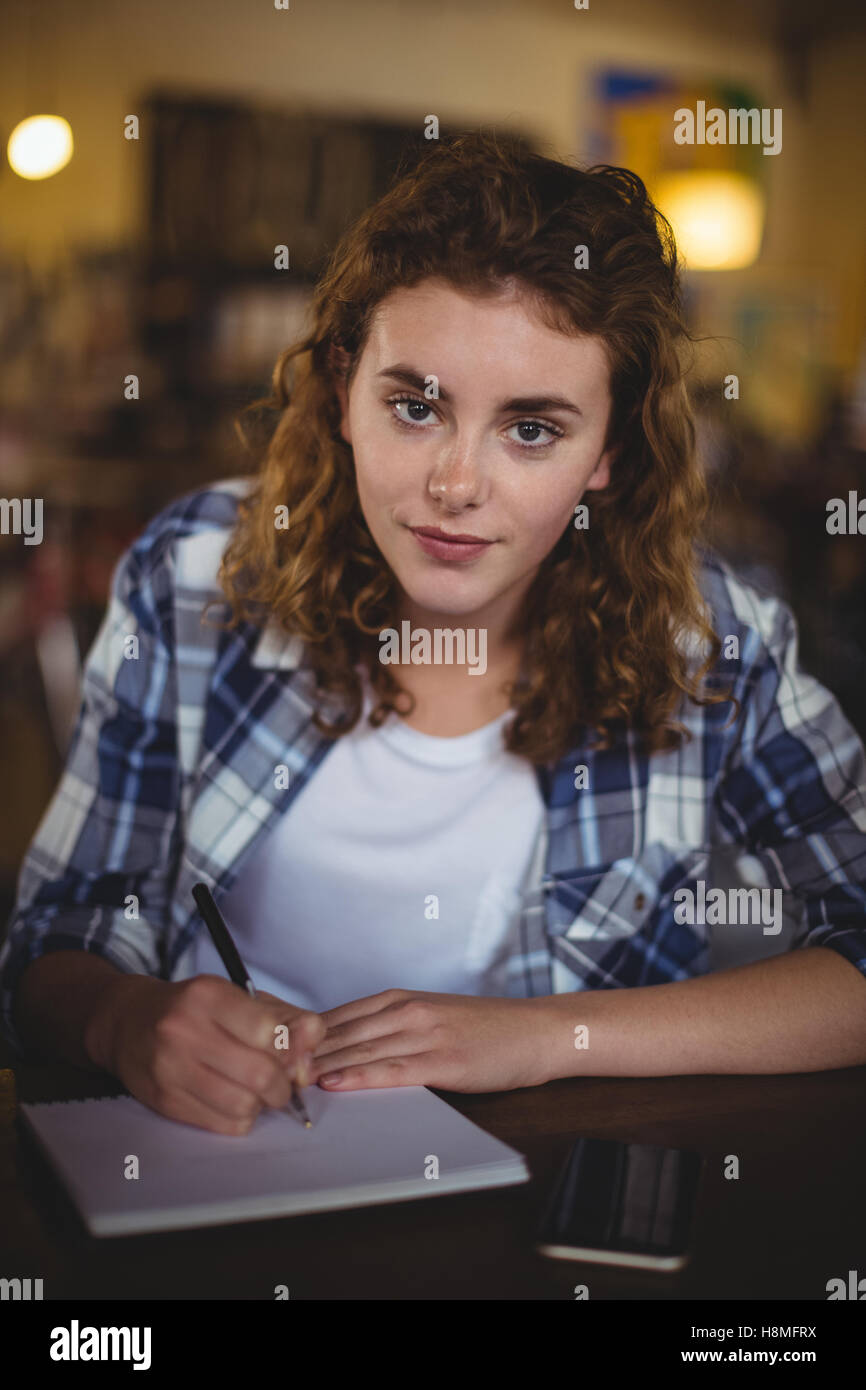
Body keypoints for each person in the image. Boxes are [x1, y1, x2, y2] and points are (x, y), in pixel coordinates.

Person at [2, 131, 865, 1138]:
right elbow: (52, 938)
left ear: (608, 453)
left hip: (538, 1212)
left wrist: (549, 1037)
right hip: (211, 1166)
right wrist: (121, 1017)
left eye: (530, 429)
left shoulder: (711, 640)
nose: (455, 485)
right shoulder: (191, 576)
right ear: (340, 392)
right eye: (414, 406)